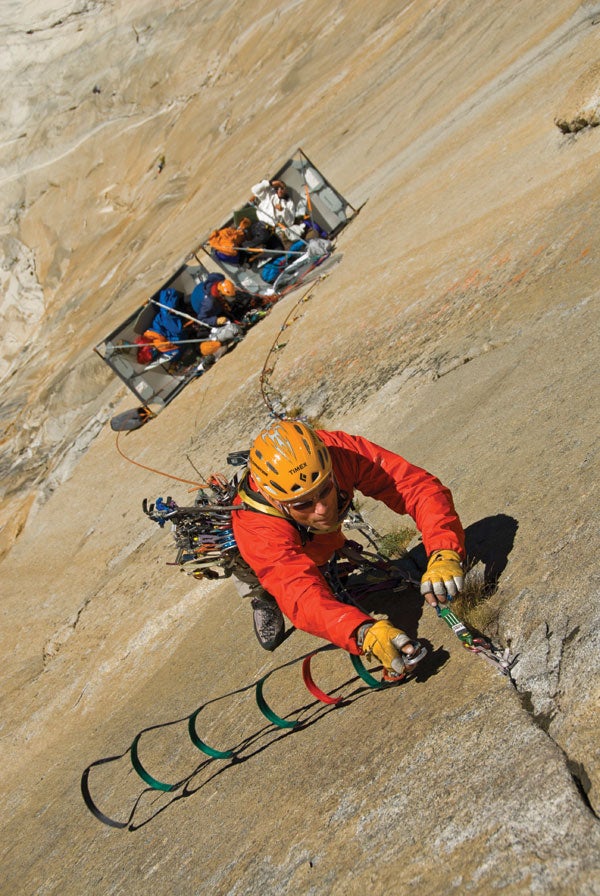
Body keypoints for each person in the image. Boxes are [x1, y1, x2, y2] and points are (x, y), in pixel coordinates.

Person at [231, 420, 465, 681]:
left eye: (324, 491)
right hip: (267, 550)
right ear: (276, 500)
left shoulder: (341, 453)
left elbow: (414, 487)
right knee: (270, 578)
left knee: (324, 545)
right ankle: (261, 596)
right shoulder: (256, 526)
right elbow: (298, 591)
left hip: (317, 535)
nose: (320, 508)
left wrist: (443, 549)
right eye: (304, 503)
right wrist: (361, 632)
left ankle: (325, 552)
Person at [250, 178, 306, 248]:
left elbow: (290, 222)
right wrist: (272, 183)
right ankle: (248, 247)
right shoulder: (268, 195)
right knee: (263, 237)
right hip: (262, 225)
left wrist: (282, 210)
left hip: (275, 230)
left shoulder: (288, 203)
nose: (281, 191)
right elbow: (254, 190)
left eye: (283, 188)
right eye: (279, 188)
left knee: (278, 246)